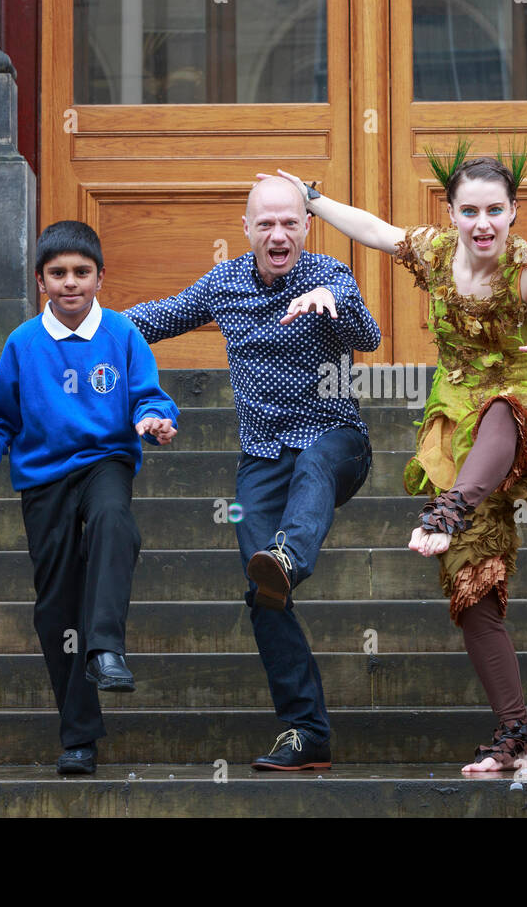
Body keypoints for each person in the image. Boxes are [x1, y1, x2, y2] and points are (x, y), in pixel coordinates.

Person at [265, 152, 527, 773]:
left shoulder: (526, 269)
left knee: (506, 404)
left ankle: (449, 507)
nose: (484, 224)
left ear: (513, 213)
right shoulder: (434, 253)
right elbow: (376, 230)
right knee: (471, 585)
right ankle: (516, 737)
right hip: (458, 428)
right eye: (470, 211)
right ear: (451, 214)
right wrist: (312, 201)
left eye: (495, 211)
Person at [124, 177, 380, 771]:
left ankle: (290, 552)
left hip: (336, 441)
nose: (278, 234)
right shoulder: (225, 283)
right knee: (265, 593)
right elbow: (157, 318)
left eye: (289, 222)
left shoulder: (330, 273)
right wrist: (81, 320)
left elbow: (367, 335)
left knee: (313, 465)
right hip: (263, 456)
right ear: (246, 230)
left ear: (306, 226)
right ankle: (306, 732)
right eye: (265, 223)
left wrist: (330, 305)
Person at [0, 220, 178, 776]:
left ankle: (106, 648)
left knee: (114, 523)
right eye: (58, 273)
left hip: (105, 461)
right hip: (44, 477)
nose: (70, 282)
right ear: (40, 281)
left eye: (81, 272)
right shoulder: (23, 343)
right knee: (56, 607)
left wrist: (156, 418)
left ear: (101, 277)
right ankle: (79, 736)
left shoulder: (123, 334)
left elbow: (151, 395)